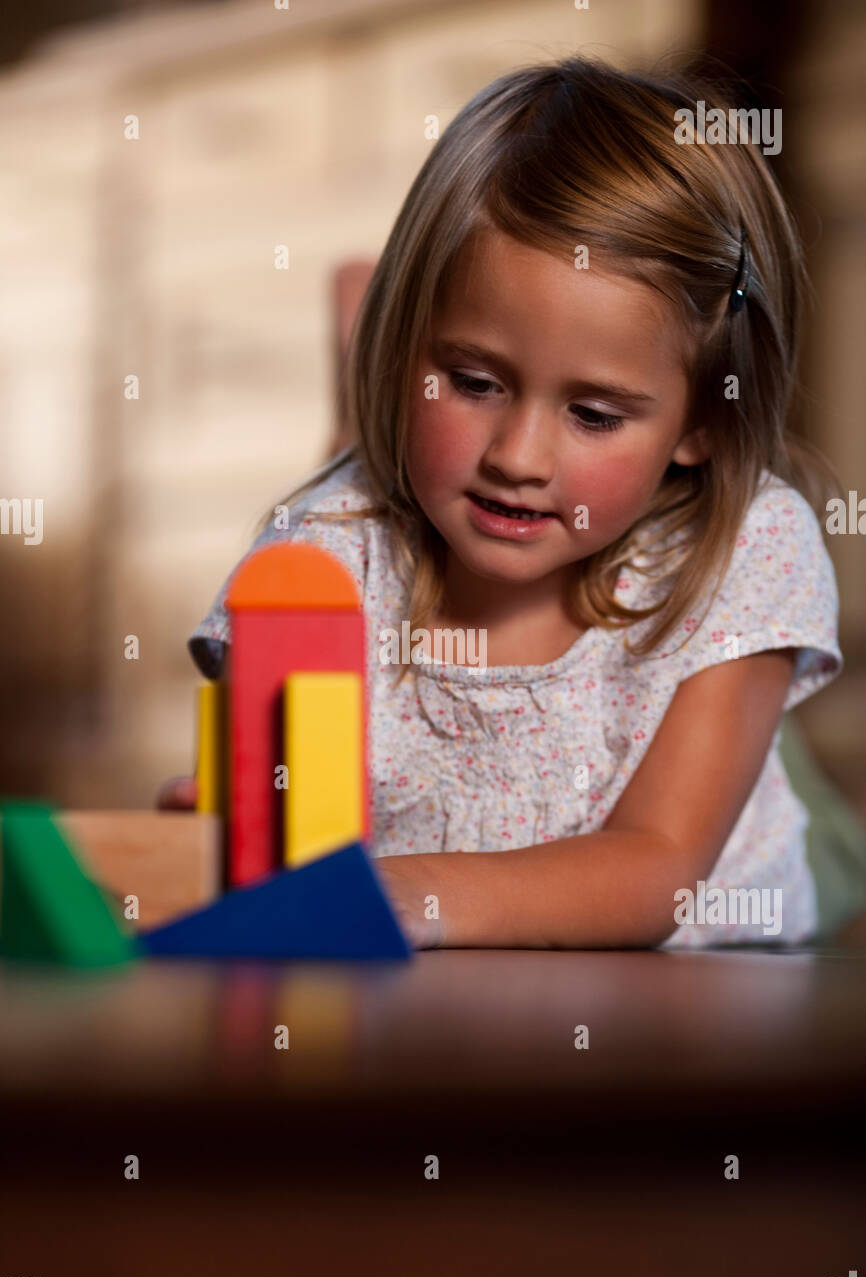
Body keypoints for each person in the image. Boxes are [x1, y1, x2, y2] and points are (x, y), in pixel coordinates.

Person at [161, 56, 866, 950]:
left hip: (731, 847)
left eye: (594, 413)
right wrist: (227, 833)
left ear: (705, 425)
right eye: (473, 381)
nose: (518, 459)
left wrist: (408, 894)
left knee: (827, 834)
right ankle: (359, 417)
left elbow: (658, 872)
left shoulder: (752, 545)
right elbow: (281, 832)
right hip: (460, 962)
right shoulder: (322, 554)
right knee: (353, 493)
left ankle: (362, 404)